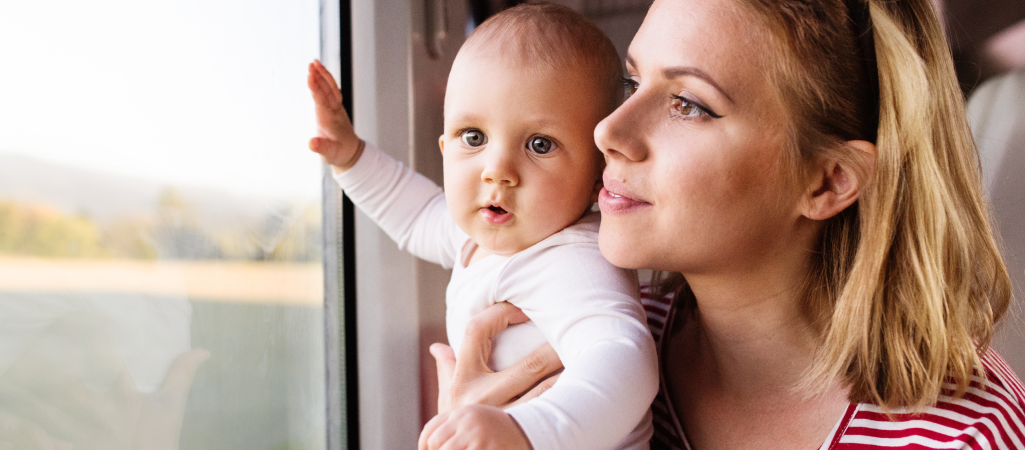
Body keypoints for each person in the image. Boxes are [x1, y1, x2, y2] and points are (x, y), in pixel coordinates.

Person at [432, 0, 1025, 449]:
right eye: (633, 83)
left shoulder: (967, 435)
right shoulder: (570, 345)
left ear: (827, 180)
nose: (607, 131)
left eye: (688, 103)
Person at [307, 4, 657, 450]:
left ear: (596, 177)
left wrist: (528, 430)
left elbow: (627, 361)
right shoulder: (480, 237)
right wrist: (351, 158)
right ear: (444, 146)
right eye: (474, 137)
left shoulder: (573, 259)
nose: (497, 170)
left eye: (539, 144)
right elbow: (415, 215)